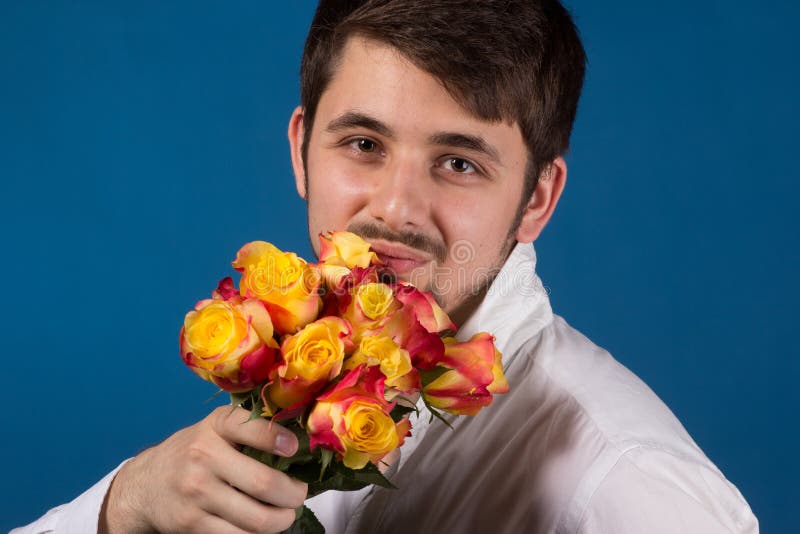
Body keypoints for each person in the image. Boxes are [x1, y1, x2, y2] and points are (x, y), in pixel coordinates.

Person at [15, 1, 759, 533]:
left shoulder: (628, 488)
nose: (396, 210)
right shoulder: (309, 368)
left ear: (536, 199)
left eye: (458, 162)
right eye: (364, 144)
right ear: (302, 148)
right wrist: (123, 509)